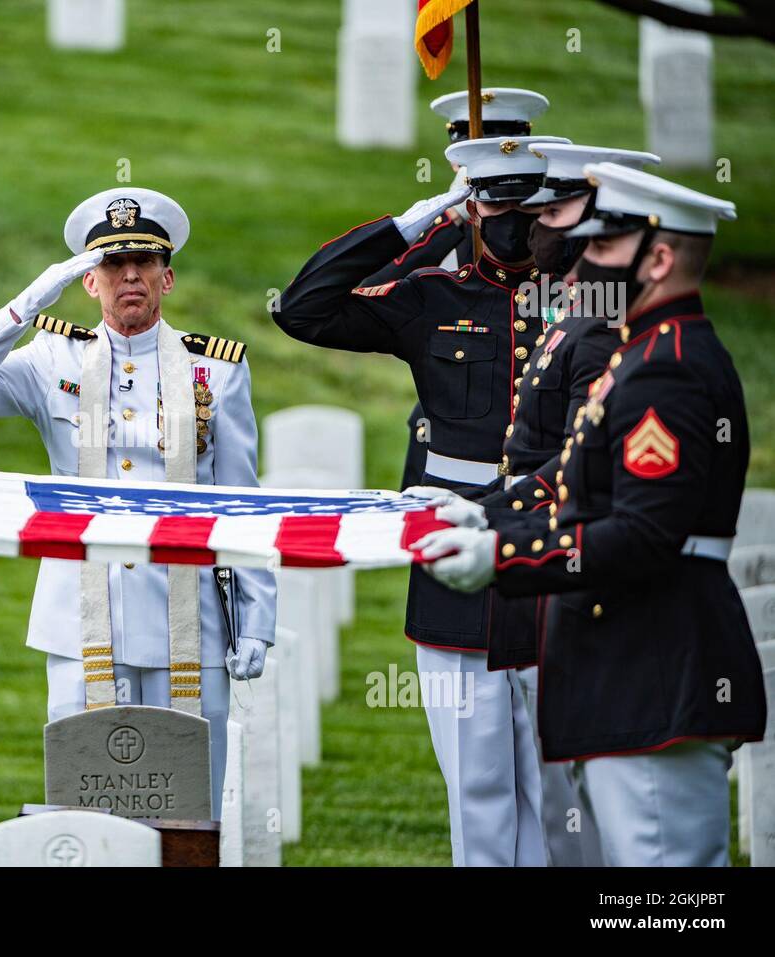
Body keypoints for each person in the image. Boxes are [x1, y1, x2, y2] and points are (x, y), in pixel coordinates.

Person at [416, 163, 767, 866]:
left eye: (604, 247)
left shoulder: (666, 365)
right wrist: (495, 522)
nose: (582, 256)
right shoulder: (643, 353)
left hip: (654, 660)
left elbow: (644, 533)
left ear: (659, 258)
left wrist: (504, 558)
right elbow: (589, 501)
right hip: (627, 663)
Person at [273, 134, 576, 865]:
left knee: (557, 782)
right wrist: (419, 226)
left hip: (551, 549)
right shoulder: (436, 297)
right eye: (494, 204)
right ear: (473, 207)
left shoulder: (584, 308)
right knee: (476, 779)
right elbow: (302, 309)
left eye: (526, 205)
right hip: (451, 557)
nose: (511, 222)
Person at [0, 188, 276, 814]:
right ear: (89, 281)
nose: (130, 276)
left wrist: (256, 621)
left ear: (166, 277)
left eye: (143, 263)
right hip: (78, 616)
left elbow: (240, 501)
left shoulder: (216, 369)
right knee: (87, 808)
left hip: (188, 618)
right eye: (113, 265)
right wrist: (28, 303)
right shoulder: (50, 358)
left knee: (186, 812)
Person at [408, 142, 661, 867]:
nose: (534, 224)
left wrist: (487, 514)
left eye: (555, 209)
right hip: (534, 568)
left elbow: (584, 468)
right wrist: (431, 222)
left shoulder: (605, 326)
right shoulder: (567, 312)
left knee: (581, 815)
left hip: (571, 577)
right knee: (519, 799)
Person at [362, 89, 551, 492]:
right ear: (455, 156)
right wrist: (448, 221)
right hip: (448, 425)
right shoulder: (442, 220)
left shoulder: (530, 219)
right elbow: (367, 292)